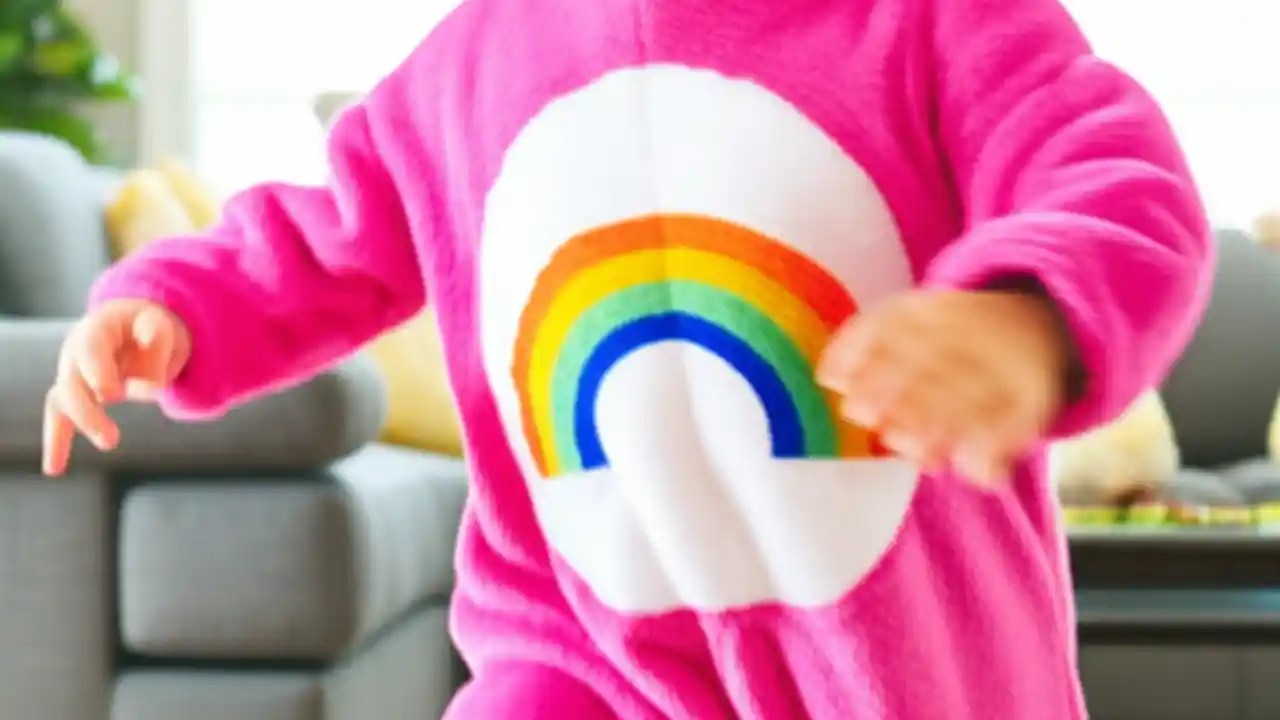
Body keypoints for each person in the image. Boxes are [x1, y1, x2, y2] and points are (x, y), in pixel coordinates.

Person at [41, 0, 1213, 717]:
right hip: (579, 655)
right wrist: (178, 305)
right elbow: (326, 228)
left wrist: (1026, 316)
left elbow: (1114, 179)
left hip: (901, 661)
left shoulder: (931, 17)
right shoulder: (465, 66)